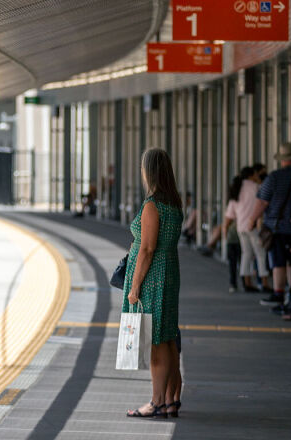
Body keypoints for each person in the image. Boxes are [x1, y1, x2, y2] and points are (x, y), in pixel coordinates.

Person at [125, 148, 184, 419]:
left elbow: (147, 249)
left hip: (152, 279)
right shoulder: (174, 203)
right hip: (169, 274)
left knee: (155, 342)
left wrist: (135, 286)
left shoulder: (152, 205)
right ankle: (171, 400)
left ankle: (157, 402)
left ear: (149, 172)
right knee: (168, 337)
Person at [247, 142, 291, 307]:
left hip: (276, 227)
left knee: (278, 262)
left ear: (282, 160)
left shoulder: (274, 177)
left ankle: (278, 293)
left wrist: (251, 220)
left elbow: (262, 202)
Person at [224, 167, 270, 292]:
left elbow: (230, 214)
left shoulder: (237, 189)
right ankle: (265, 283)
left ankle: (247, 283)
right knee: (260, 254)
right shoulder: (255, 187)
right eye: (255, 174)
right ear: (251, 175)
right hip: (253, 225)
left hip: (240, 227)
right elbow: (262, 204)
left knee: (246, 254)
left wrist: (225, 230)